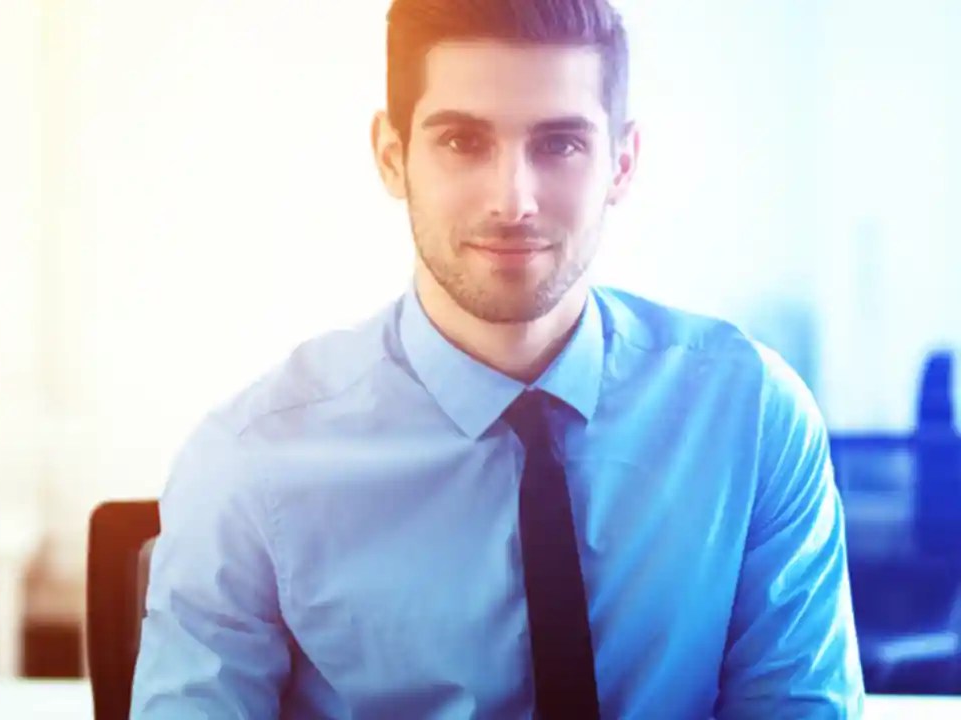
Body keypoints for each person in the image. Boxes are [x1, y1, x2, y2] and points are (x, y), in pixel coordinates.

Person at [129, 0, 865, 717]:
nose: (513, 200)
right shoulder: (251, 461)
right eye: (461, 141)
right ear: (393, 158)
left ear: (623, 164)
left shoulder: (752, 416)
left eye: (561, 144)